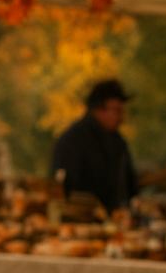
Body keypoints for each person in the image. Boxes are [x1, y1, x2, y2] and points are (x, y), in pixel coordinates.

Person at [50, 79, 138, 213]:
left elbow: (130, 184)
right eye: (117, 111)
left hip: (115, 219)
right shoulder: (72, 141)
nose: (121, 117)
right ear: (98, 110)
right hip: (81, 218)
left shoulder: (118, 142)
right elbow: (66, 189)